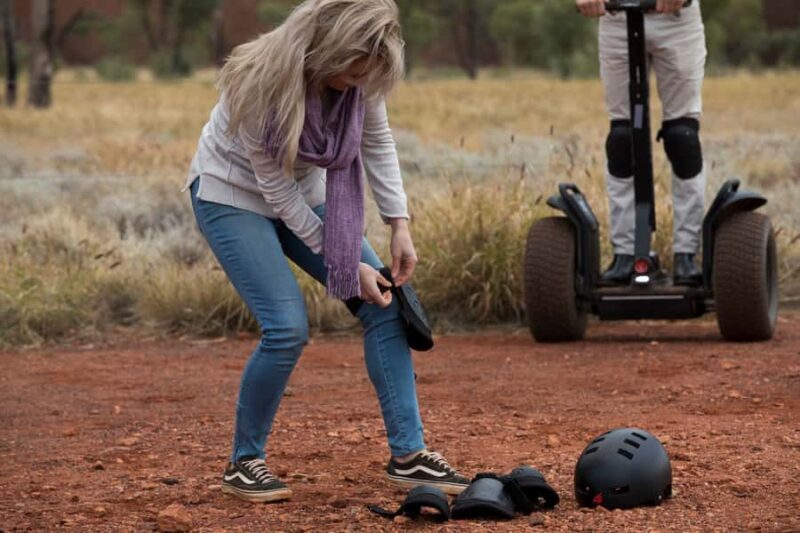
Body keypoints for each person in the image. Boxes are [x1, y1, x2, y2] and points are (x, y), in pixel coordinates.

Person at [182, 0, 469, 503]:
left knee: (386, 305)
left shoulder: (360, 76)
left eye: (367, 73)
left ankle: (409, 455)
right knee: (287, 327)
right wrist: (341, 261)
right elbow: (275, 190)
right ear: (326, 49)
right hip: (232, 194)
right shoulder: (259, 78)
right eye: (352, 70)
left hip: (308, 193)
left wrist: (399, 225)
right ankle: (244, 462)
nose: (358, 82)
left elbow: (377, 142)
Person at [577, 0, 707, 285]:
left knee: (682, 138)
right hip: (615, 18)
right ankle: (628, 254)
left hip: (675, 18)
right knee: (623, 138)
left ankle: (687, 254)